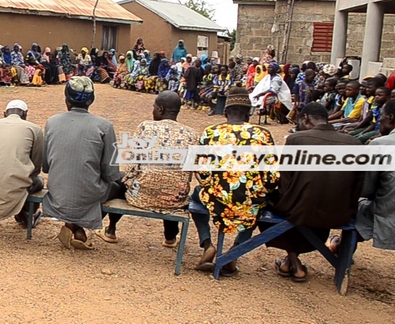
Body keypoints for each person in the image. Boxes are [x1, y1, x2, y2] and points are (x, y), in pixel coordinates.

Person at [261, 103, 362, 282]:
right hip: (337, 214)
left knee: (272, 203)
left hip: (299, 211)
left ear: (305, 118)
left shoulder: (296, 140)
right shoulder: (354, 142)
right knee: (306, 206)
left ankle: (292, 260)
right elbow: (357, 185)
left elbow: (285, 182)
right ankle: (291, 261)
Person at [193, 87, 279, 274]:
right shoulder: (262, 135)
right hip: (249, 201)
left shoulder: (210, 132)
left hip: (216, 200)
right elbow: (272, 177)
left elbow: (202, 174)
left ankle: (208, 244)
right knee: (261, 204)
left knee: (195, 197)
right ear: (248, 113)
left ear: (225, 112)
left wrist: (217, 188)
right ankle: (234, 252)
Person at [43, 77, 122, 250]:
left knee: (77, 180)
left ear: (66, 98)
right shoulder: (105, 126)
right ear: (91, 100)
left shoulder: (52, 122)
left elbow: (46, 167)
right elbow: (111, 174)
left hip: (57, 190)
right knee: (122, 186)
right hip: (89, 193)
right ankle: (104, 230)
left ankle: (73, 226)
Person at [120, 91, 199, 247]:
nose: (153, 110)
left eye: (154, 107)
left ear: (161, 109)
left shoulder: (145, 127)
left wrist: (128, 180)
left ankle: (111, 229)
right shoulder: (193, 135)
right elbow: (190, 172)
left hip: (141, 197)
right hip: (175, 200)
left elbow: (132, 166)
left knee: (120, 182)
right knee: (169, 183)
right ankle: (170, 237)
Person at [337, 99, 395, 252]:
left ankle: (343, 250)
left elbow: (366, 189)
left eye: (381, 116)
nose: (379, 120)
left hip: (394, 212)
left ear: (390, 118)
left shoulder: (382, 144)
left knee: (356, 207)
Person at [0, 100, 44, 230]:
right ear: (25, 114)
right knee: (37, 182)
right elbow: (36, 164)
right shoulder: (34, 129)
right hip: (14, 181)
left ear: (5, 114)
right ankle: (26, 215)